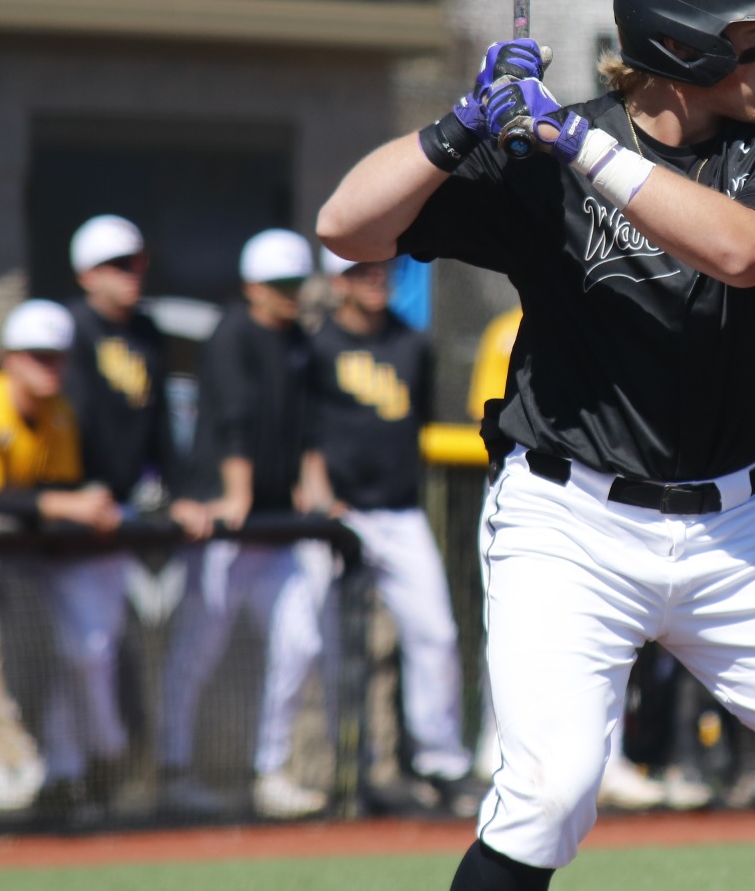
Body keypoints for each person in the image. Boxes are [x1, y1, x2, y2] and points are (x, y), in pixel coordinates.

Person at [319, 0, 755, 891]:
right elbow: (343, 227)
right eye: (753, 35)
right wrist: (456, 128)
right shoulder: (534, 161)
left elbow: (739, 251)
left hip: (740, 532)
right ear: (681, 45)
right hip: (568, 524)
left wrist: (575, 144)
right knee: (550, 794)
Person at [159, 228, 328, 819]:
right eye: (280, 285)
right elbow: (231, 419)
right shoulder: (232, 332)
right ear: (253, 286)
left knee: (301, 640)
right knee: (198, 650)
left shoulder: (299, 340)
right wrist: (235, 493)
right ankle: (173, 769)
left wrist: (310, 491)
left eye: (296, 284)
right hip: (225, 520)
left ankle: (270, 770)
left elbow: (307, 426)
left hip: (276, 526)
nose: (291, 295)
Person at [302, 252, 475, 814]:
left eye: (383, 268)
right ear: (337, 282)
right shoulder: (316, 345)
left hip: (400, 512)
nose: (376, 277)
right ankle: (335, 771)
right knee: (322, 644)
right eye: (361, 270)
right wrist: (322, 497)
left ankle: (440, 763)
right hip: (339, 515)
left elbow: (419, 422)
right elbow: (305, 432)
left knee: (436, 633)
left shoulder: (411, 342)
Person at [0, 300, 124, 824]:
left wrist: (84, 501)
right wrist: (69, 504)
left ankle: (52, 763)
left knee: (69, 648)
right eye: (37, 357)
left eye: (58, 358)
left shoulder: (59, 410)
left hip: (19, 553)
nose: (50, 368)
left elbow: (56, 486)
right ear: (9, 357)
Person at [60, 215, 195, 812]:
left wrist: (173, 484)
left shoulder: (145, 330)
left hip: (123, 511)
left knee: (96, 646)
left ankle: (83, 772)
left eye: (136, 263)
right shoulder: (71, 329)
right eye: (118, 266)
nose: (132, 276)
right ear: (87, 274)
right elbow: (73, 419)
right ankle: (78, 767)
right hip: (68, 511)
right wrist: (82, 490)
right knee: (81, 648)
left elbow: (159, 421)